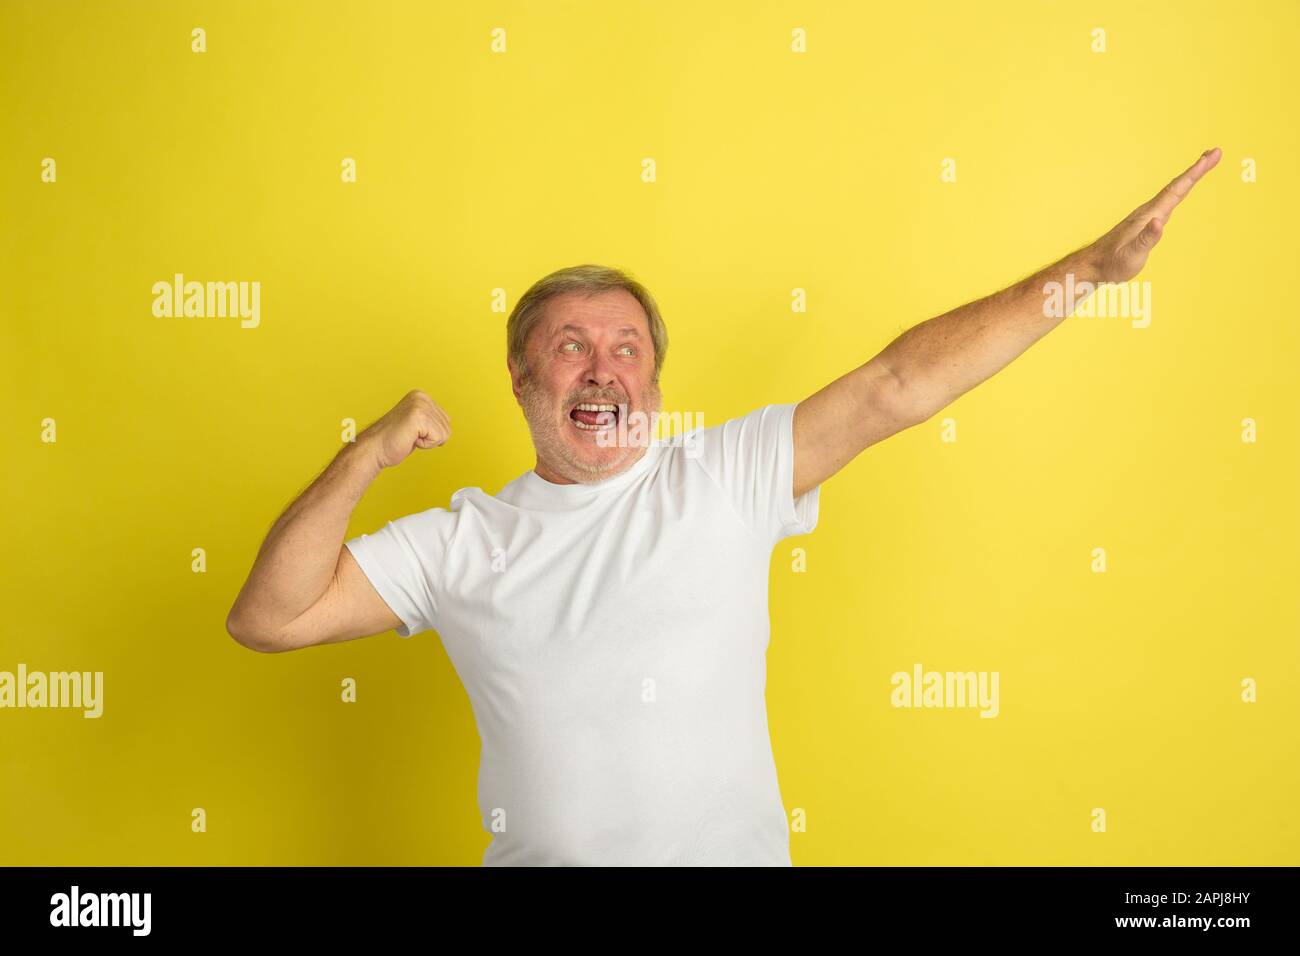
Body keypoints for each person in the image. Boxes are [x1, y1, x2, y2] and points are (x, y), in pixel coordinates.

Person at [226, 149, 1221, 865]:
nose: (601, 364)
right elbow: (268, 616)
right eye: (569, 344)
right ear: (522, 378)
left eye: (625, 346)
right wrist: (367, 454)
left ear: (655, 380)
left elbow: (898, 384)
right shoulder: (460, 540)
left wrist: (1084, 274)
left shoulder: (724, 473)